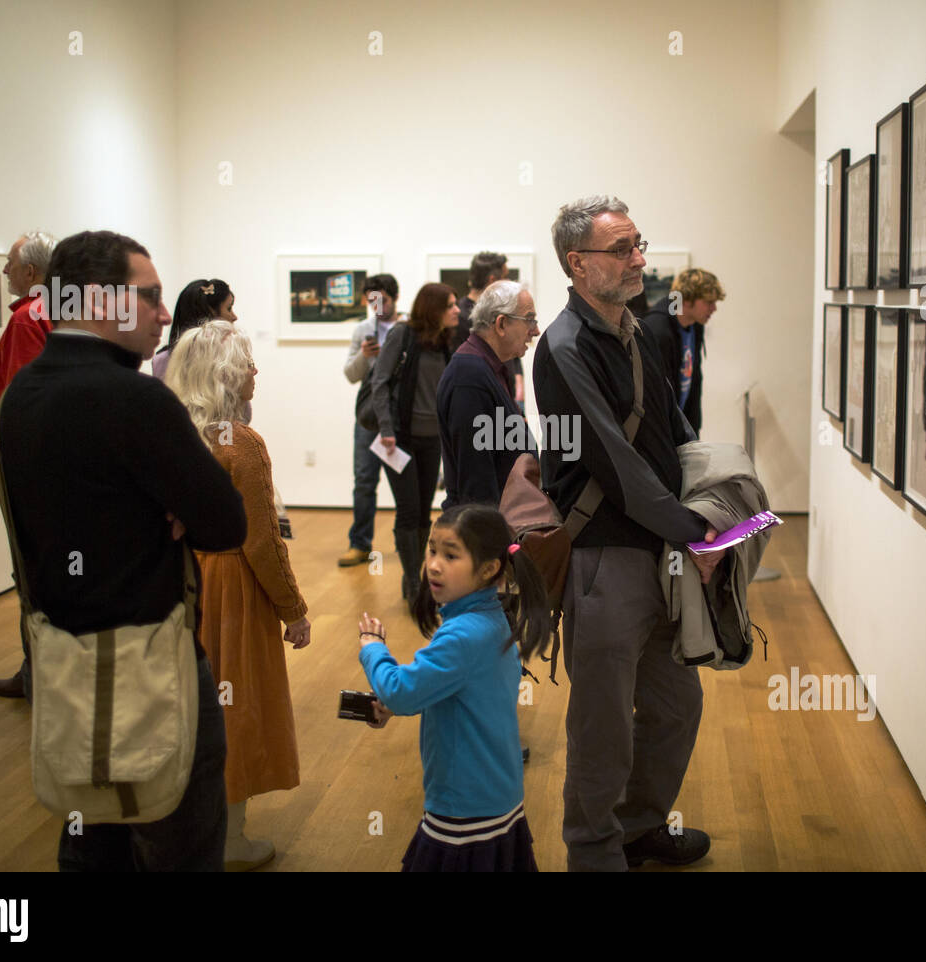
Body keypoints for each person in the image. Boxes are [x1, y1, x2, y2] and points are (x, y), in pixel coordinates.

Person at [0, 230, 246, 870]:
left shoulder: (20, 395)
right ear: (101, 302)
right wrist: (177, 511)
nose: (165, 315)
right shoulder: (137, 400)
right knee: (178, 841)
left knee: (89, 842)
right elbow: (224, 522)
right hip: (152, 662)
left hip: (62, 662)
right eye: (151, 297)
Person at [533, 195, 723, 872]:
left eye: (639, 243)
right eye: (622, 249)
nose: (640, 258)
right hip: (605, 556)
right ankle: (593, 851)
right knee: (602, 727)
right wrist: (692, 533)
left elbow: (672, 427)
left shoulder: (636, 327)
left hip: (659, 549)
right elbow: (613, 461)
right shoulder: (562, 348)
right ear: (578, 264)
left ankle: (640, 826)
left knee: (676, 707)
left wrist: (708, 497)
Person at [165, 320, 311, 872]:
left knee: (190, 709)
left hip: (182, 582)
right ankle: (228, 841)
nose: (256, 370)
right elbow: (261, 540)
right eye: (247, 362)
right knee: (237, 709)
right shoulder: (240, 444)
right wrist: (293, 609)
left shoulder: (176, 434)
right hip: (231, 587)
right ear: (226, 373)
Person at [356, 503, 550, 871]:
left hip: (464, 805)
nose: (433, 564)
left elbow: (400, 690)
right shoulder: (492, 617)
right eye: (432, 550)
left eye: (450, 555)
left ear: (489, 568)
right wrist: (395, 705)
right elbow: (459, 691)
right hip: (497, 793)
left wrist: (373, 649)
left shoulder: (462, 635)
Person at [0, 230, 58, 700]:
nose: (4, 271)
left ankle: (39, 677)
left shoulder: (26, 320)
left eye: (10, 263)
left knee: (30, 568)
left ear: (30, 273)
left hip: (37, 466)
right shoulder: (65, 312)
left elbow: (23, 402)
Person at [371, 282, 458, 602]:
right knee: (408, 510)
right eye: (450, 305)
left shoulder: (446, 342)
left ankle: (422, 576)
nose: (457, 310)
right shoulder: (402, 335)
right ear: (433, 308)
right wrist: (386, 428)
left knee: (424, 512)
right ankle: (411, 580)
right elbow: (379, 382)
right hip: (399, 439)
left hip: (433, 438)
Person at [437, 280, 539, 508]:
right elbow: (475, 480)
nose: (536, 330)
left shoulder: (489, 367)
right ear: (502, 324)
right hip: (484, 528)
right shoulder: (469, 376)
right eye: (529, 320)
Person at [340, 274, 402, 567]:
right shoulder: (363, 330)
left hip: (401, 416)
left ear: (395, 298)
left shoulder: (408, 327)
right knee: (364, 481)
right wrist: (364, 356)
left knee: (406, 483)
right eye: (371, 301)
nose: (377, 307)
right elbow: (351, 375)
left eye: (383, 300)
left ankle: (406, 541)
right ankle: (360, 543)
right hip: (368, 418)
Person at [641, 268, 725, 435]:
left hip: (683, 426)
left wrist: (693, 432)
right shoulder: (659, 331)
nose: (714, 308)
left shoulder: (694, 325)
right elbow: (658, 395)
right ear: (687, 300)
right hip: (663, 432)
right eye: (709, 302)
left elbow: (694, 380)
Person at [453, 252, 525, 411]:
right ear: (493, 280)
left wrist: (518, 379)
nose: (509, 282)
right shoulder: (458, 316)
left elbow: (511, 349)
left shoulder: (503, 312)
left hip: (506, 398)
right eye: (506, 277)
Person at [151, 279, 236, 380]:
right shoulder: (226, 360)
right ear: (209, 314)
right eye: (229, 308)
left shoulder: (161, 360)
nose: (234, 317)